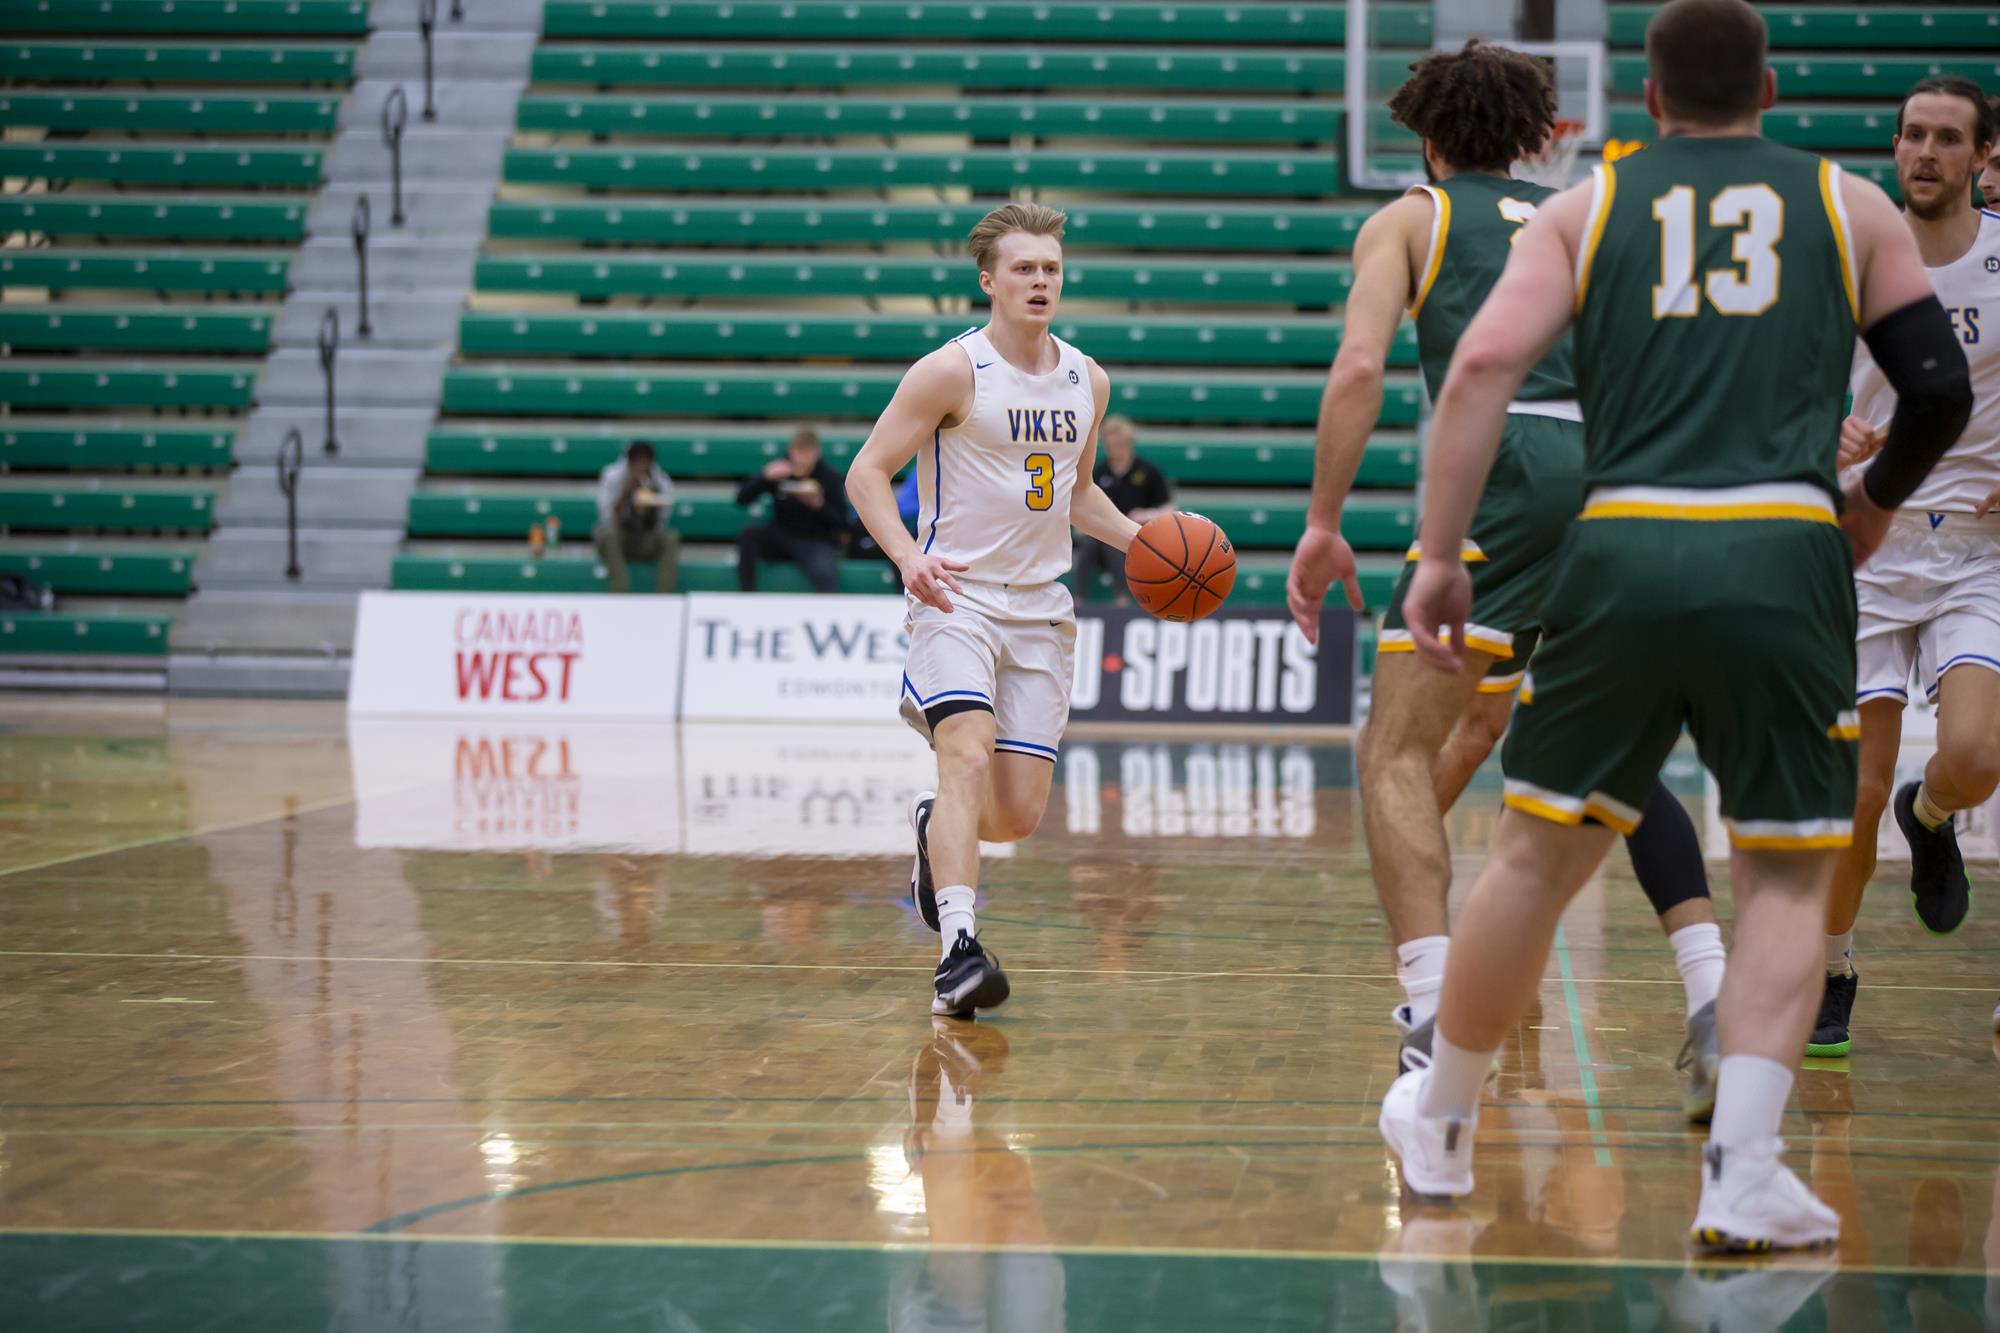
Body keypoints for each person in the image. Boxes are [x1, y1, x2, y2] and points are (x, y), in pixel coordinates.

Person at [1377, 0, 1967, 1254]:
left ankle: (1441, 1123)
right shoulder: (1847, 204)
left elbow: (1477, 370)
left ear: (1645, 100)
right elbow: (1936, 386)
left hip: (1624, 543)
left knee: (1531, 859)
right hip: (1782, 551)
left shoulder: (1586, 206)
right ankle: (1740, 1172)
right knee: (1784, 873)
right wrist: (1867, 503)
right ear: (1769, 89)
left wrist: (1436, 554)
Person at [1284, 38, 1727, 1120]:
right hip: (1626, 466)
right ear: (1534, 134)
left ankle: (1433, 1011)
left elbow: (1358, 367)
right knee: (1615, 754)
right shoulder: (1588, 212)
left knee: (1393, 749)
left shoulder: (1409, 219)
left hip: (1510, 463)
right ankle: (1714, 991)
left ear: (1424, 136)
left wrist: (1322, 523)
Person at [846, 202, 1142, 1019]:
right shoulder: (950, 371)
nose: (1040, 281)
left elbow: (1078, 496)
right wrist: (908, 556)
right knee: (966, 758)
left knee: (1013, 816)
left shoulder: (1088, 379)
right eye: (1023, 268)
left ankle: (933, 829)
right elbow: (867, 472)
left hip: (1042, 610)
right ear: (989, 281)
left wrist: (1146, 542)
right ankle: (958, 953)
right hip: (957, 599)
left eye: (1050, 268)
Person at [1814, 78, 1999, 1057]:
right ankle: (1831, 969)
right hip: (1868, 538)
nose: (1924, 152)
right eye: (1911, 135)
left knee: (1974, 759)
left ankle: (1929, 818)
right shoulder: (1851, 253)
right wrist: (1825, 428)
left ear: (1982, 156)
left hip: (1976, 546)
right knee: (1851, 792)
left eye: (1947, 138)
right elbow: (1788, 379)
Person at [736, 427, 847, 593]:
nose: (802, 459)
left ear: (816, 454)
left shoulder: (829, 477)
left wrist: (819, 506)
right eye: (798, 453)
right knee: (749, 534)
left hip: (815, 540)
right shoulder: (781, 472)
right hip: (781, 534)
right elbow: (742, 498)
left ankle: (826, 606)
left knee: (824, 569)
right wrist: (764, 477)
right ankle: (747, 595)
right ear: (790, 451)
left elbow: (841, 521)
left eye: (807, 454)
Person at [1074, 415, 1171, 601]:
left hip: (1136, 535)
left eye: (1119, 445)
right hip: (1101, 536)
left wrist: (1147, 514)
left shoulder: (1148, 471)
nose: (1115, 450)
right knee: (1094, 541)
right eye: (1110, 446)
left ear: (1129, 443)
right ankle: (1078, 598)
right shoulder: (1098, 471)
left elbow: (1168, 508)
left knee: (1113, 541)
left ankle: (1122, 600)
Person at [593, 440, 678, 594]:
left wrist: (651, 505)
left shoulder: (659, 480)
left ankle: (665, 597)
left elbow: (662, 519)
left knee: (671, 538)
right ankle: (622, 593)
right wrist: (626, 492)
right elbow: (605, 516)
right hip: (619, 538)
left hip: (644, 537)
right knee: (609, 535)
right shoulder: (612, 476)